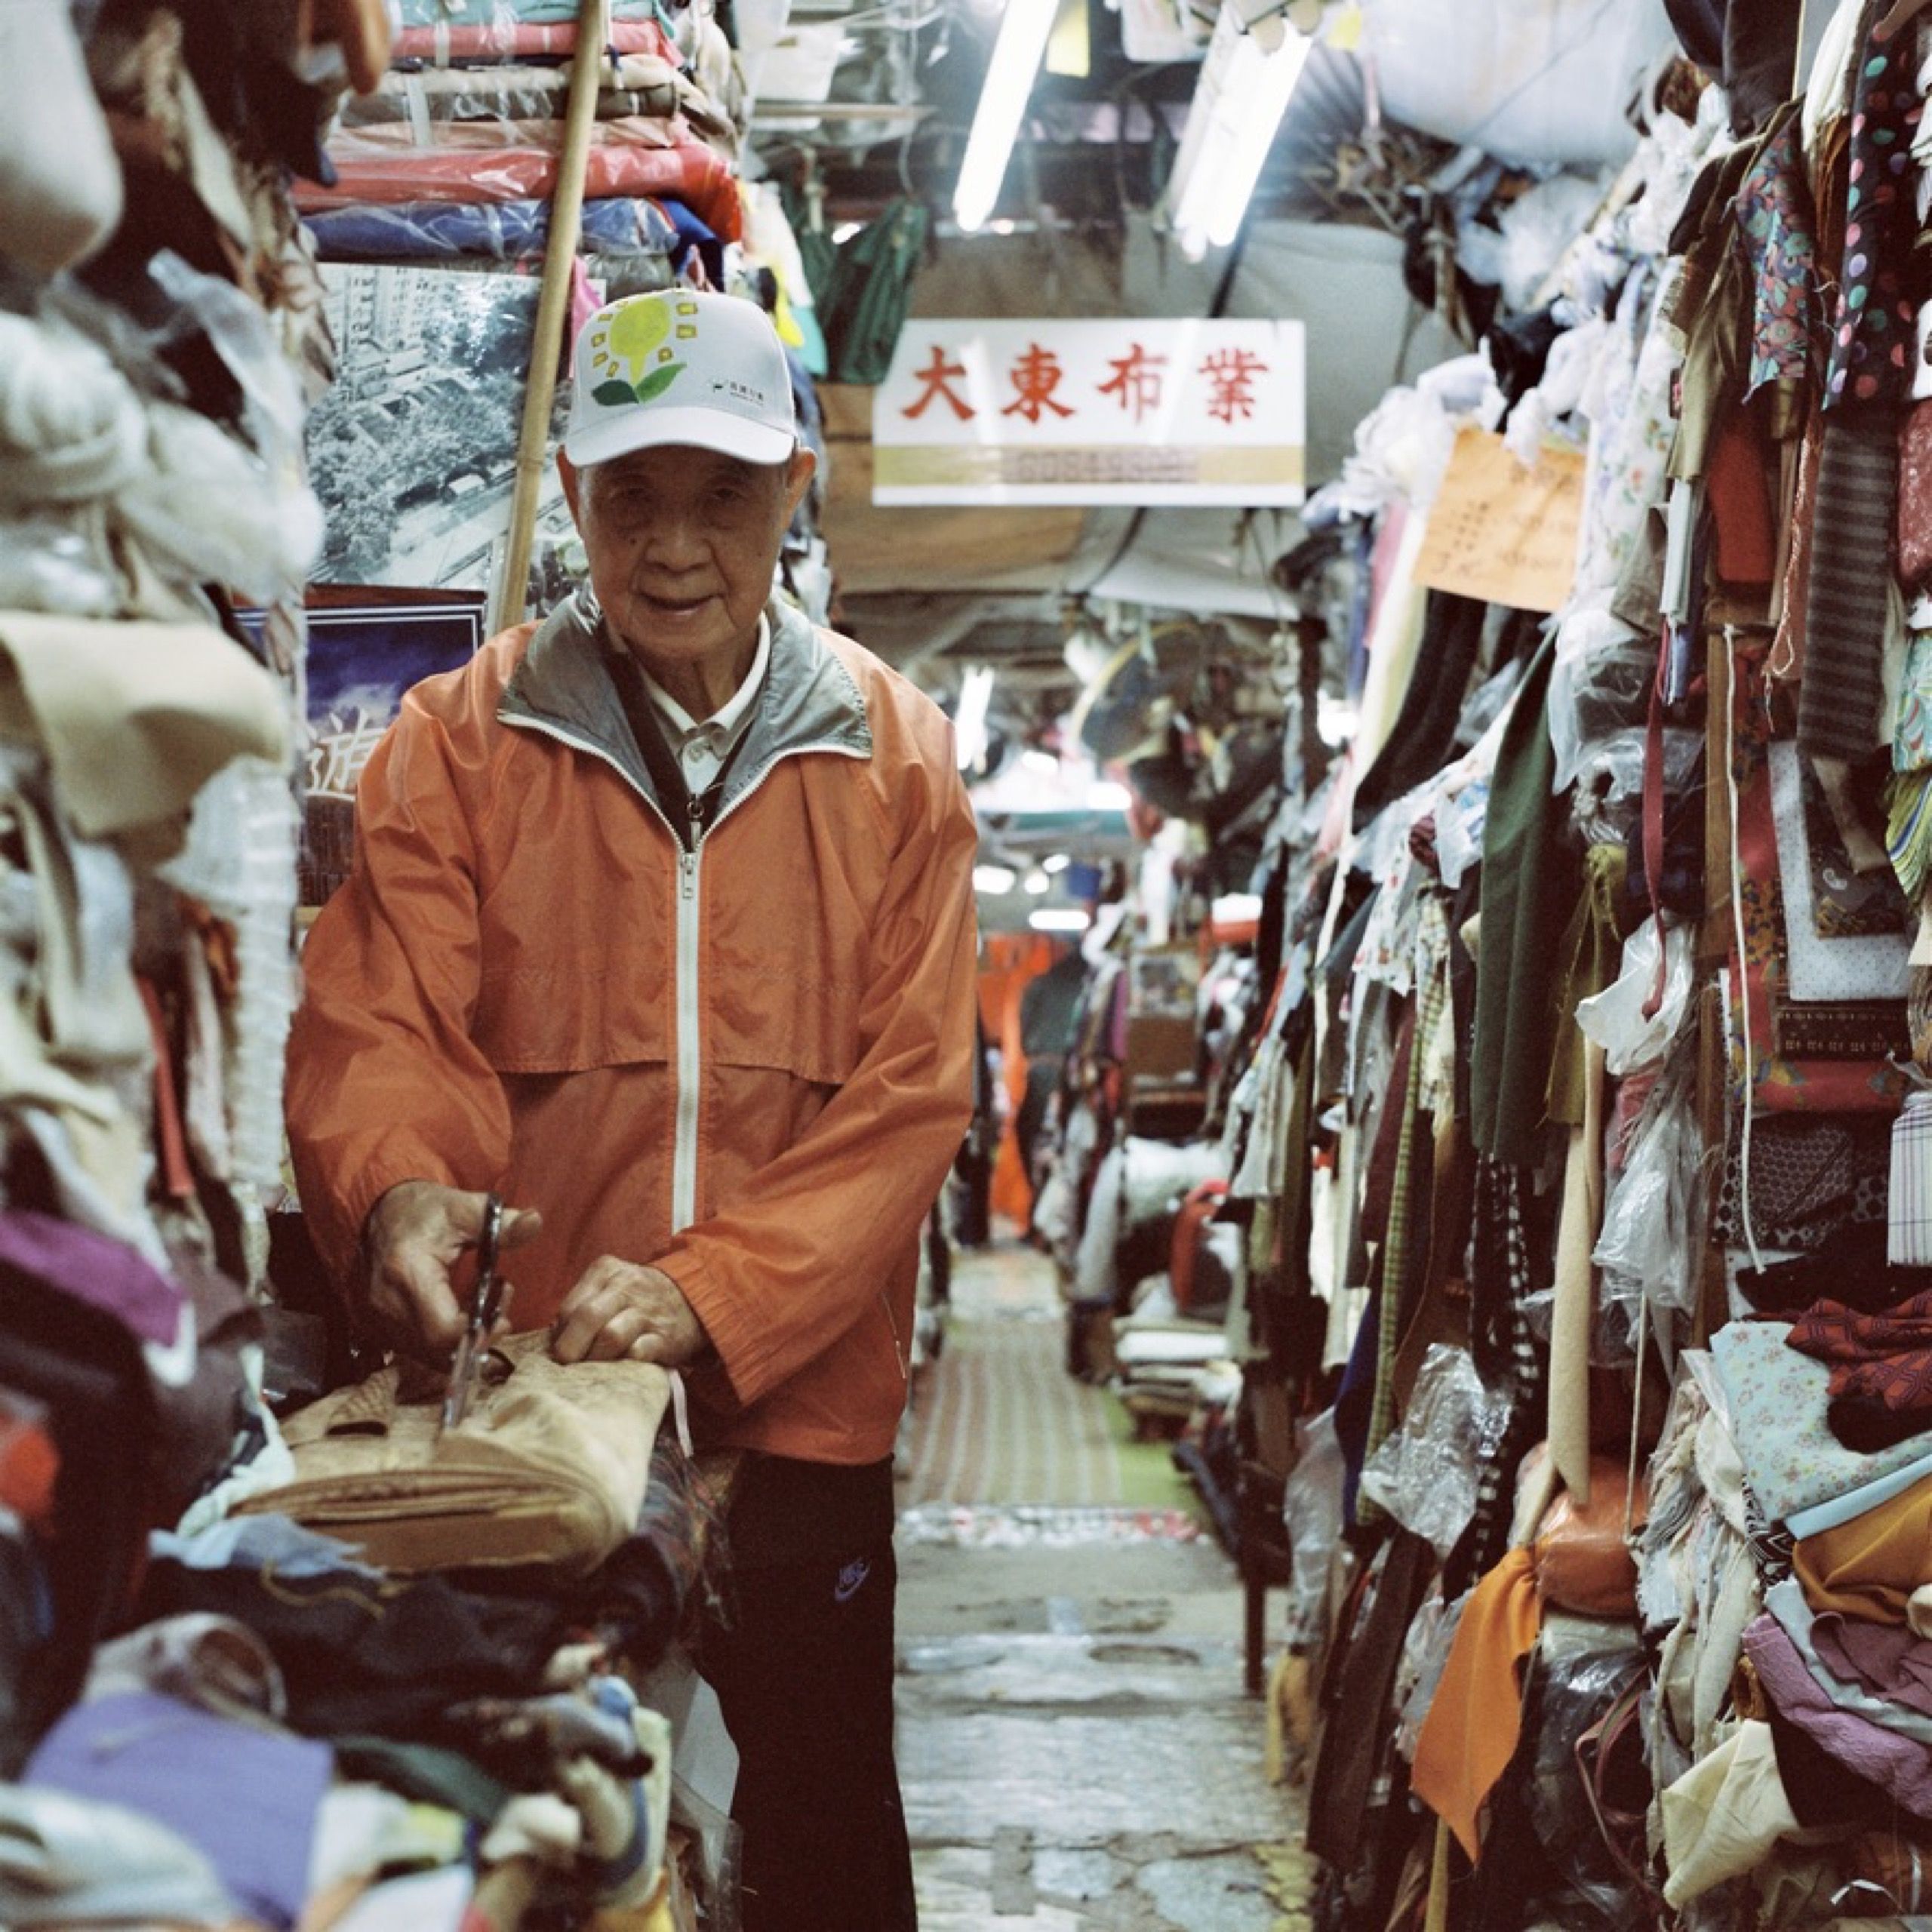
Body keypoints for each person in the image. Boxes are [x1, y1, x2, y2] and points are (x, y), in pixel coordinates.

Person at [285, 286, 980, 1931]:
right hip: (529, 1412)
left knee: (820, 1830)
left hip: (800, 1413)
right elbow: (380, 1017)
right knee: (529, 1834)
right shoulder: (453, 744)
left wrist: (707, 1294)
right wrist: (398, 1192)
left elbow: (908, 1098)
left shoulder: (898, 760)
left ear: (793, 490)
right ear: (577, 496)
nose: (676, 549)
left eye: (721, 497)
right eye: (632, 499)